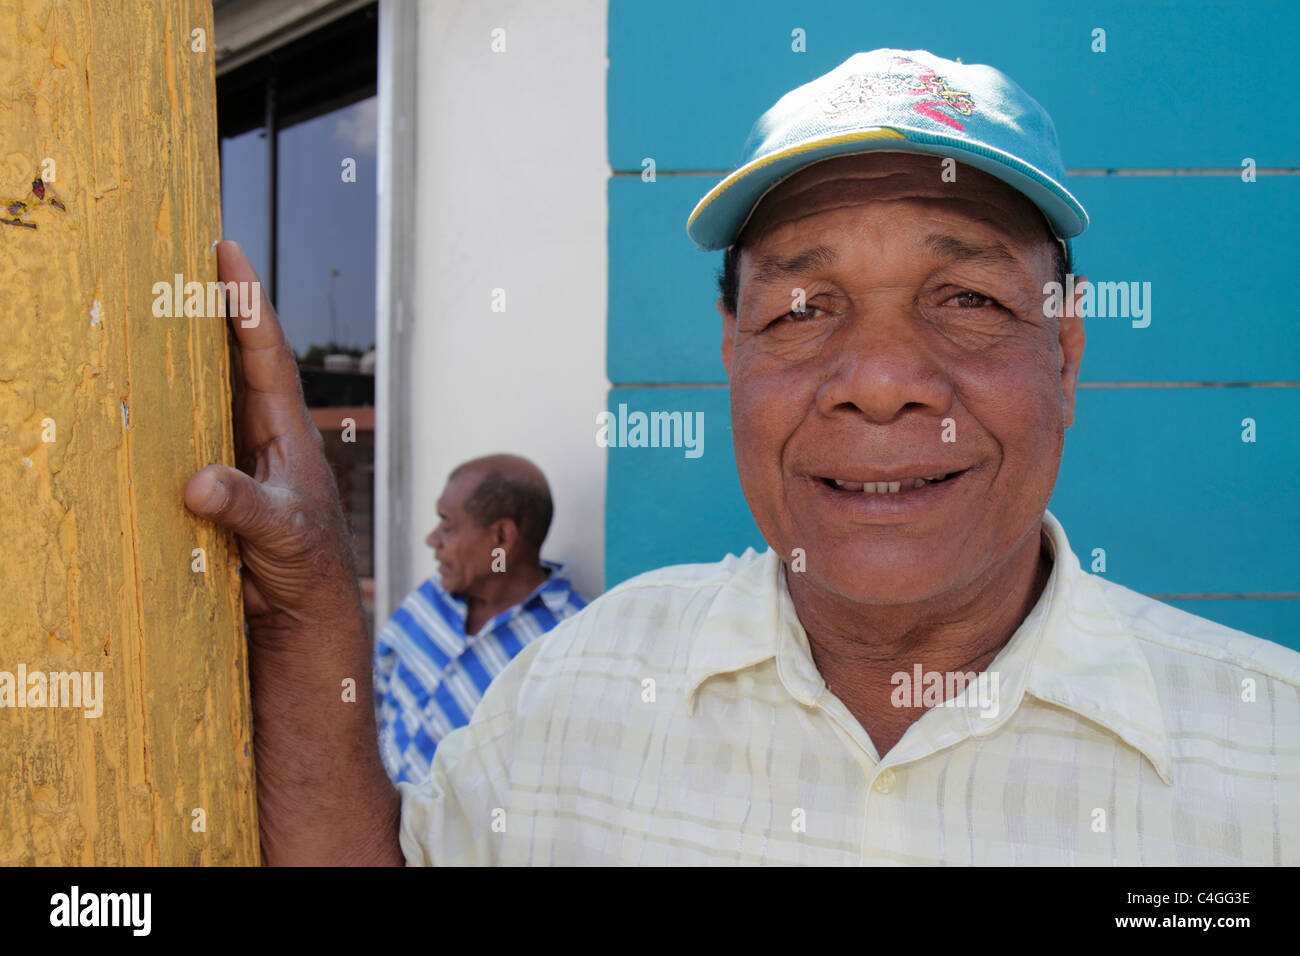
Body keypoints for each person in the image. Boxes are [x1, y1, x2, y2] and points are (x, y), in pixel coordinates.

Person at [185, 48, 1300, 865]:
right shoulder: (578, 689)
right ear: (730, 352)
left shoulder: (1272, 764)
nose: (875, 377)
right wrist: (310, 597)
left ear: (1063, 349)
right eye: (802, 309)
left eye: (963, 297)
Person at [374, 455, 585, 784]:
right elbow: (377, 697)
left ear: (501, 538)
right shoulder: (428, 601)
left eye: (447, 524)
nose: (433, 540)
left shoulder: (571, 641)